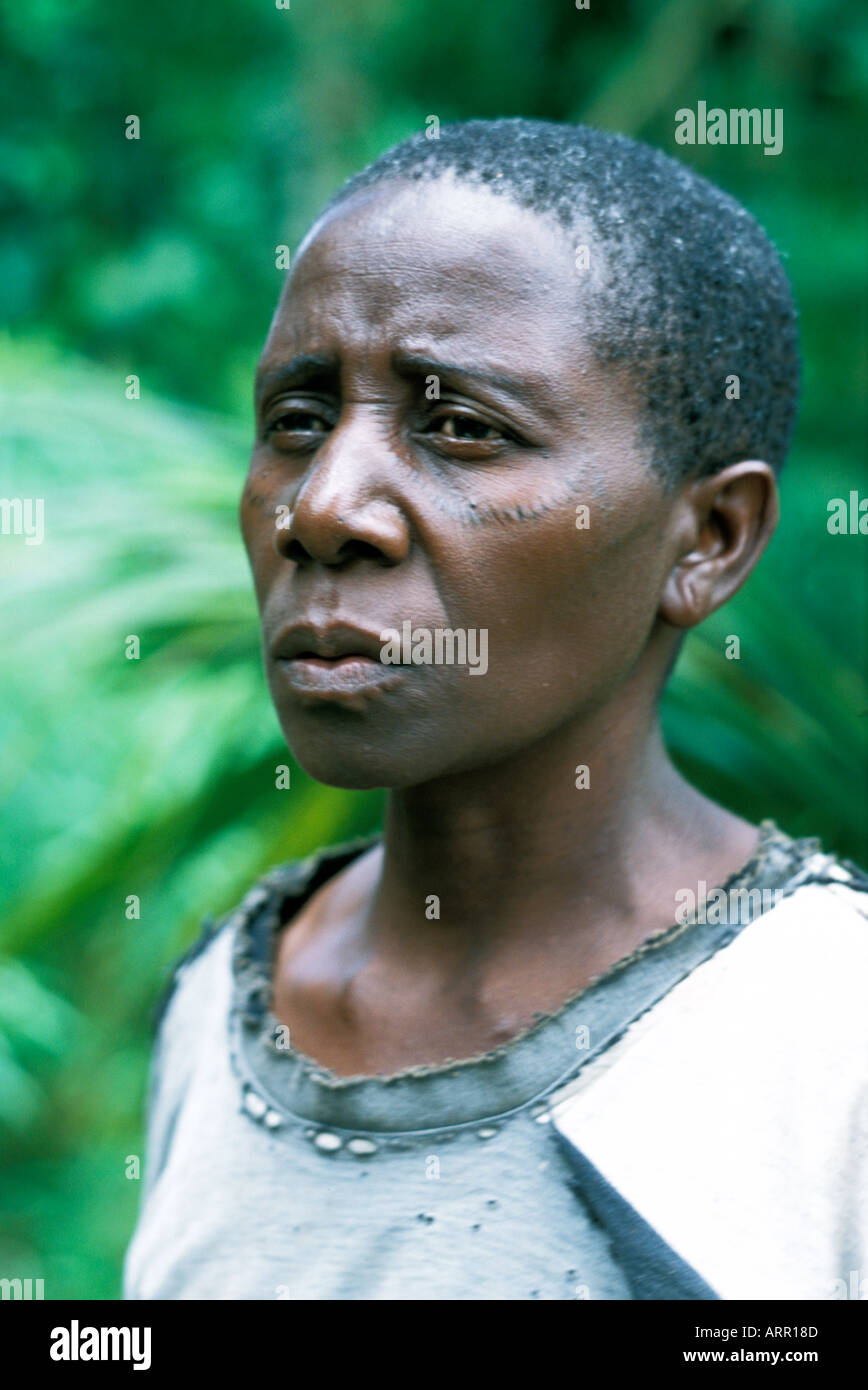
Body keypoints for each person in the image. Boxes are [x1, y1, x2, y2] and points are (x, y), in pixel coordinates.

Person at [123, 118, 867, 1301]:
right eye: (298, 420)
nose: (322, 507)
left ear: (709, 539)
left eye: (463, 427)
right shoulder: (221, 1005)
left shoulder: (828, 1049)